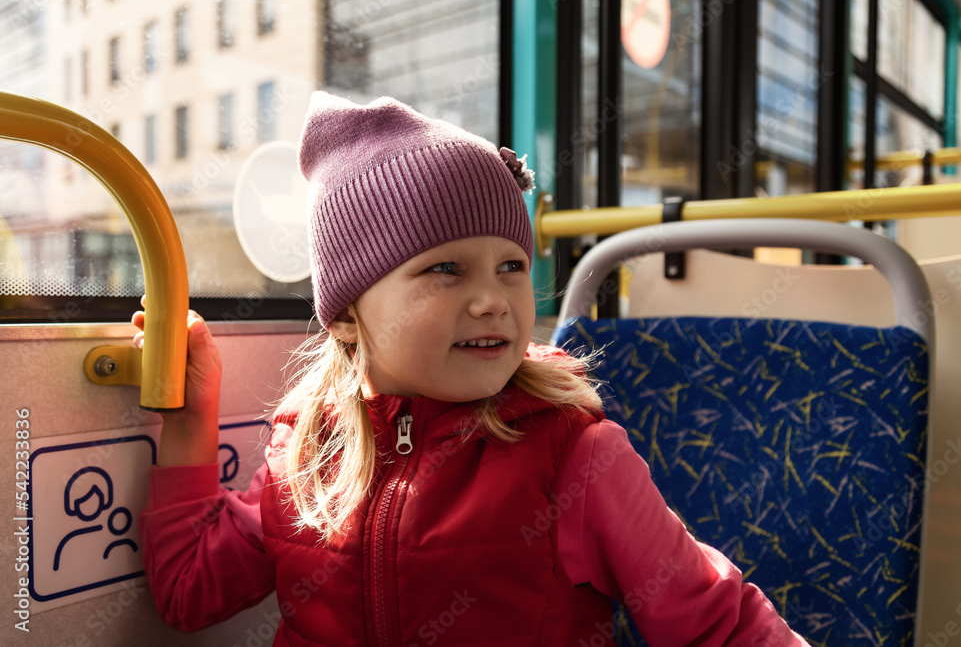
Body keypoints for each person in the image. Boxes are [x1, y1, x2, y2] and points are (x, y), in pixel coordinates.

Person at [136, 92, 807, 646]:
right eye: (445, 270)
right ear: (344, 314)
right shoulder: (304, 460)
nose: (492, 299)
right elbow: (189, 588)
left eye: (511, 267)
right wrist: (192, 417)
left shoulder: (575, 458)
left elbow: (716, 625)